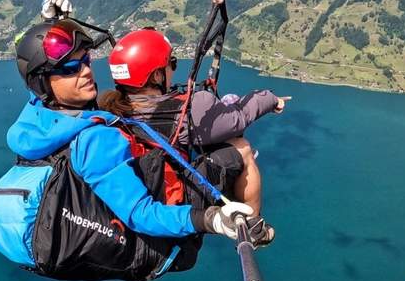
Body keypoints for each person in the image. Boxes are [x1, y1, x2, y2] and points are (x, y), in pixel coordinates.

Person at [0, 18, 263, 281]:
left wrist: (54, 19)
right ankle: (251, 228)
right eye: (70, 69)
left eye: (86, 61)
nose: (86, 71)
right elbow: (141, 214)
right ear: (43, 81)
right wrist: (210, 219)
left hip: (70, 228)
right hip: (162, 250)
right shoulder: (96, 142)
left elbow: (38, 73)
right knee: (238, 149)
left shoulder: (33, 120)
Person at [98, 27, 284, 216]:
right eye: (172, 63)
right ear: (156, 76)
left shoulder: (108, 108)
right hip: (172, 203)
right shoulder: (186, 111)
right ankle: (254, 224)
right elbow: (237, 119)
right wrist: (271, 99)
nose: (173, 68)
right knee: (241, 147)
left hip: (135, 194)